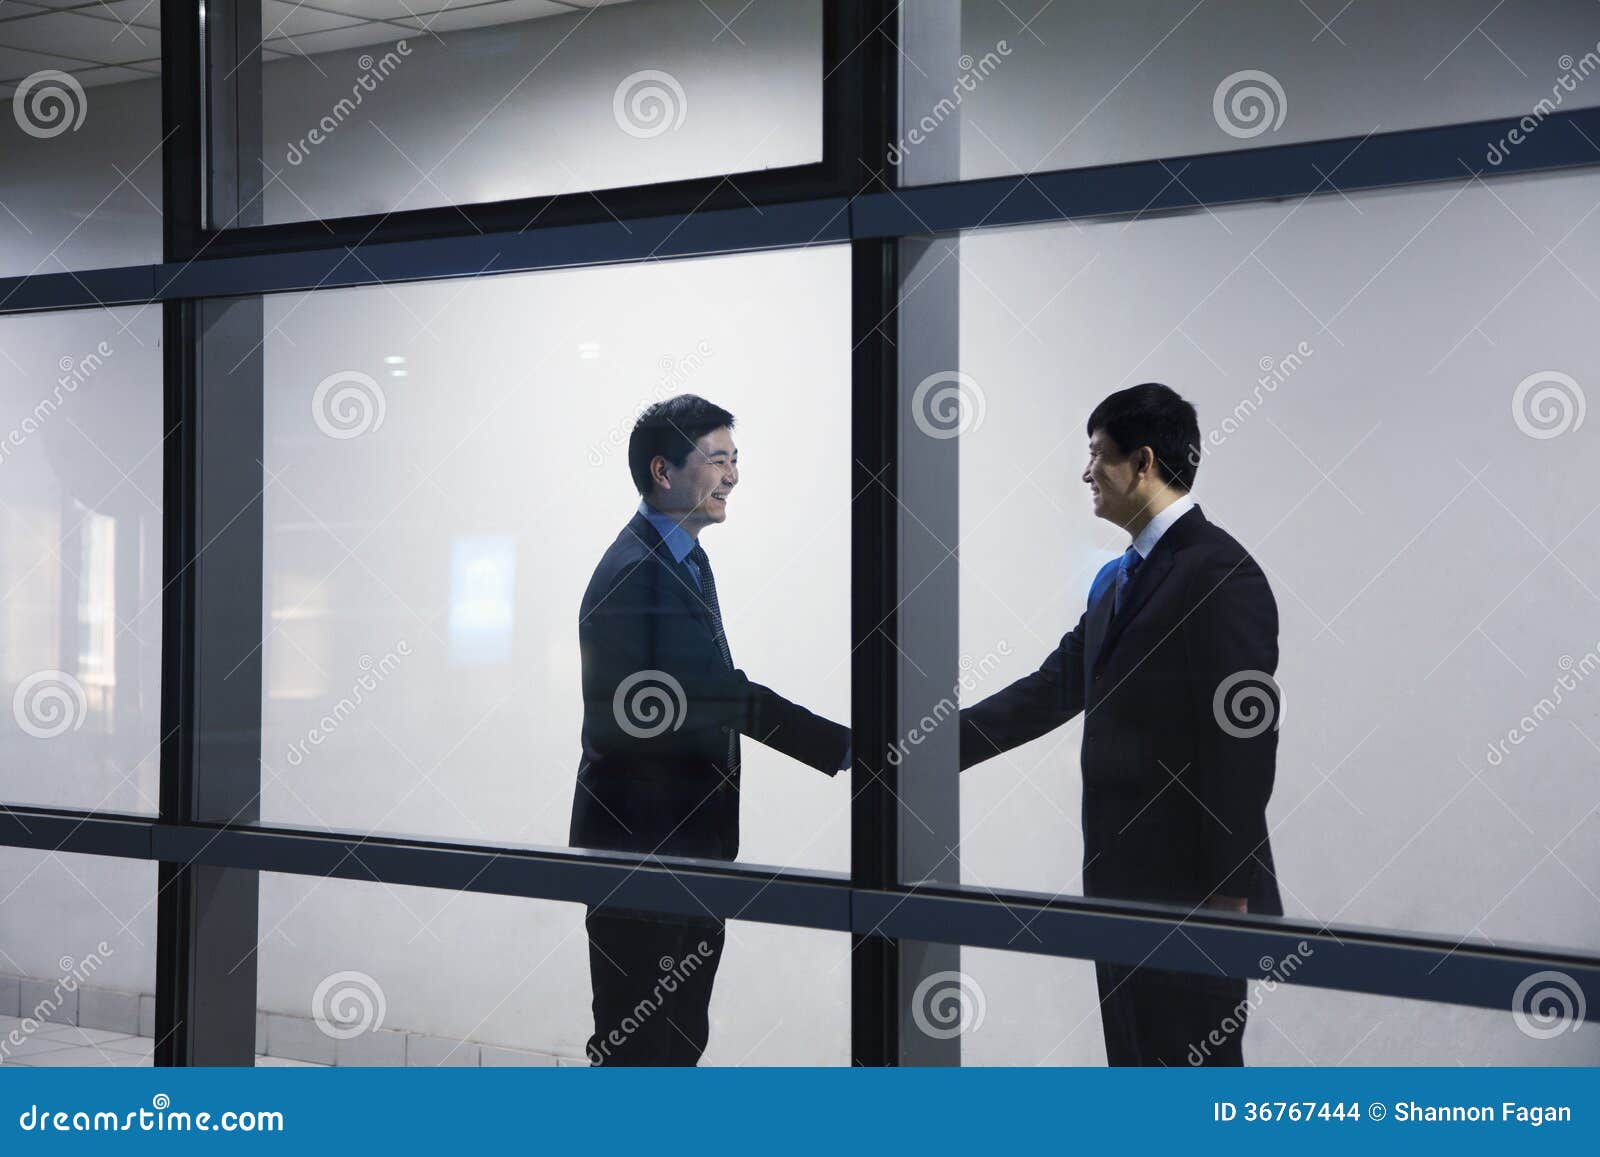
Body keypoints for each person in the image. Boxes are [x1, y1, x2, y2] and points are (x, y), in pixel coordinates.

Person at [959, 382, 1282, 1066]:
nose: (1085, 473)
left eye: (1096, 455)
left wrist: (1230, 894)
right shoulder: (1116, 578)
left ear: (1142, 462)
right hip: (1120, 886)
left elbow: (1244, 739)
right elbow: (1049, 691)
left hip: (1196, 895)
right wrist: (915, 750)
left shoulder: (1220, 573)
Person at [570, 393, 849, 1066]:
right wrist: (843, 746)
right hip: (644, 853)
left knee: (678, 1035)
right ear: (664, 472)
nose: (732, 476)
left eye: (735, 460)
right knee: (642, 1044)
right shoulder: (637, 575)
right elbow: (722, 693)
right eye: (717, 460)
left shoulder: (680, 557)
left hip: (686, 850)